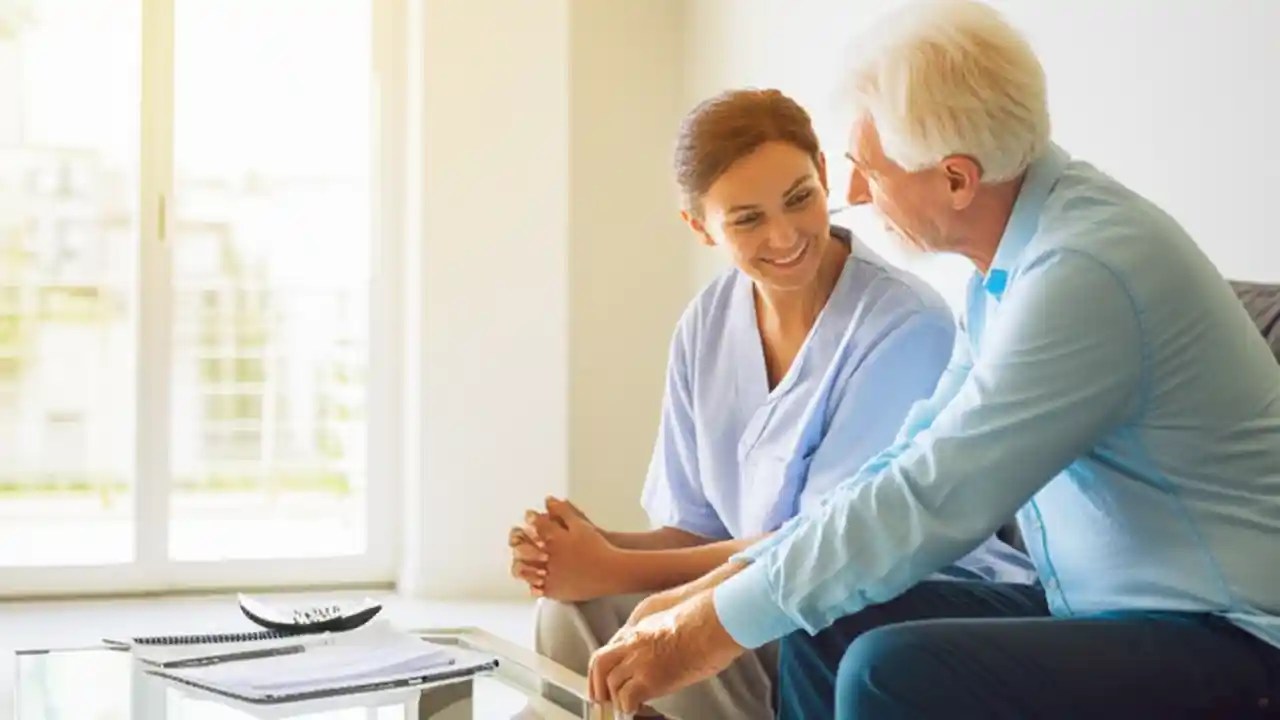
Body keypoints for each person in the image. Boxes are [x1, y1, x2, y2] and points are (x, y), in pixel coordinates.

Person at [585, 2, 1280, 718]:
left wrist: (710, 630)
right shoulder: (1009, 267)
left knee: (890, 670)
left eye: (870, 171)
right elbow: (905, 458)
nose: (852, 195)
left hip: (1231, 637)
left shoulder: (1083, 272)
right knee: (828, 627)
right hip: (1105, 608)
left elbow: (932, 498)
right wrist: (720, 588)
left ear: (955, 179)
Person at [507, 88, 1034, 719]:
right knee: (569, 612)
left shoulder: (904, 326)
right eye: (747, 219)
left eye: (799, 198)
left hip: (877, 597)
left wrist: (613, 567)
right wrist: (582, 552)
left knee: (679, 625)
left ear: (823, 173)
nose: (785, 235)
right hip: (765, 579)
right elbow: (694, 529)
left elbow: (830, 546)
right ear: (700, 227)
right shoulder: (706, 324)